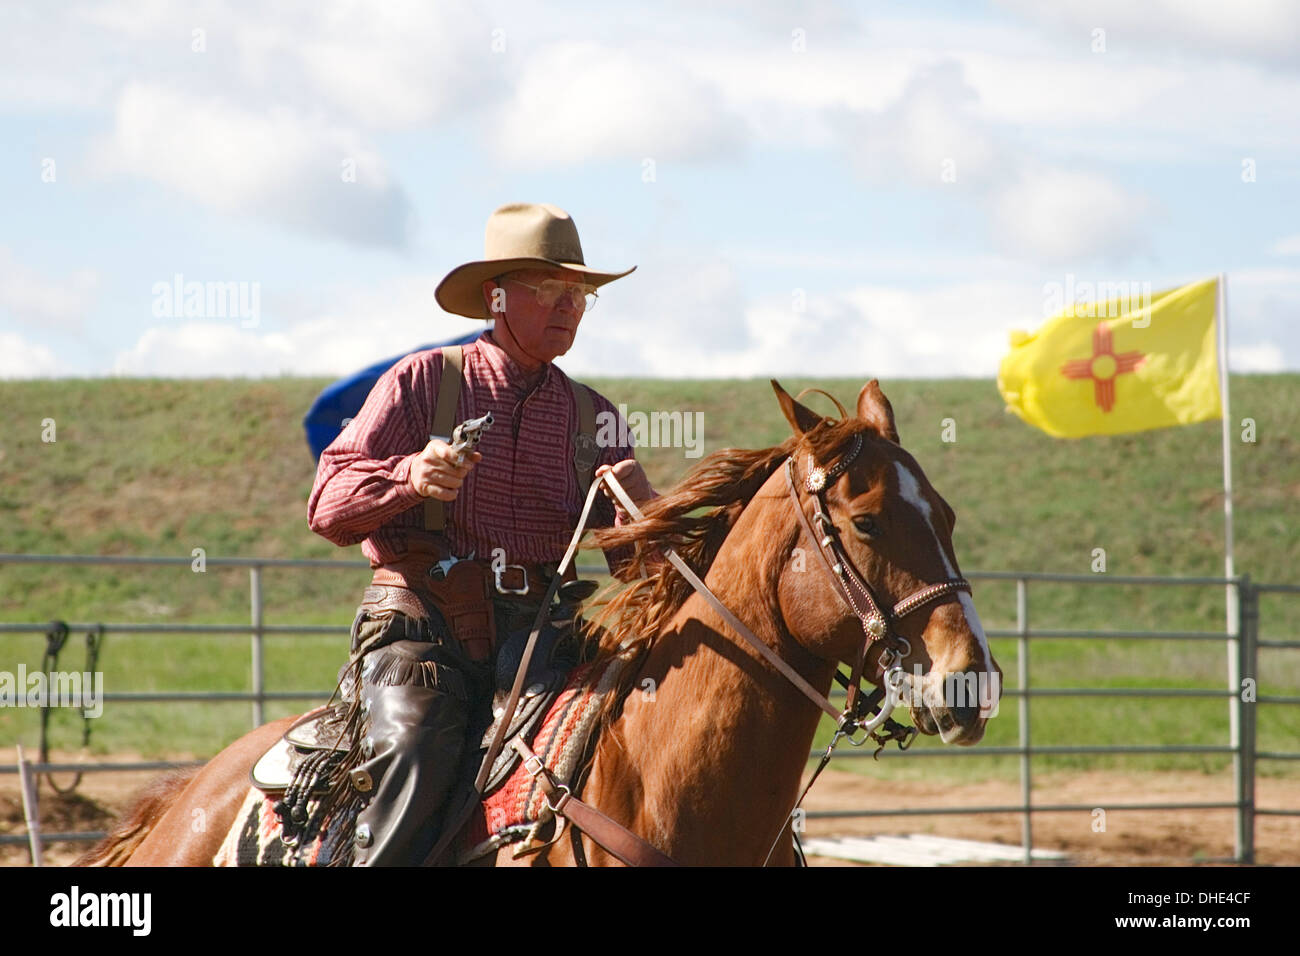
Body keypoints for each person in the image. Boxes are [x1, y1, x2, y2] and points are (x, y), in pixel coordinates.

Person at [307, 202, 656, 865]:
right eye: (548, 289)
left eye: (579, 294)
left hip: (545, 639)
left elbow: (642, 568)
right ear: (495, 297)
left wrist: (649, 514)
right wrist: (412, 475)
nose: (570, 307)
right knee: (414, 750)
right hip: (425, 631)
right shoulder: (422, 383)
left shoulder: (595, 416)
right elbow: (327, 507)